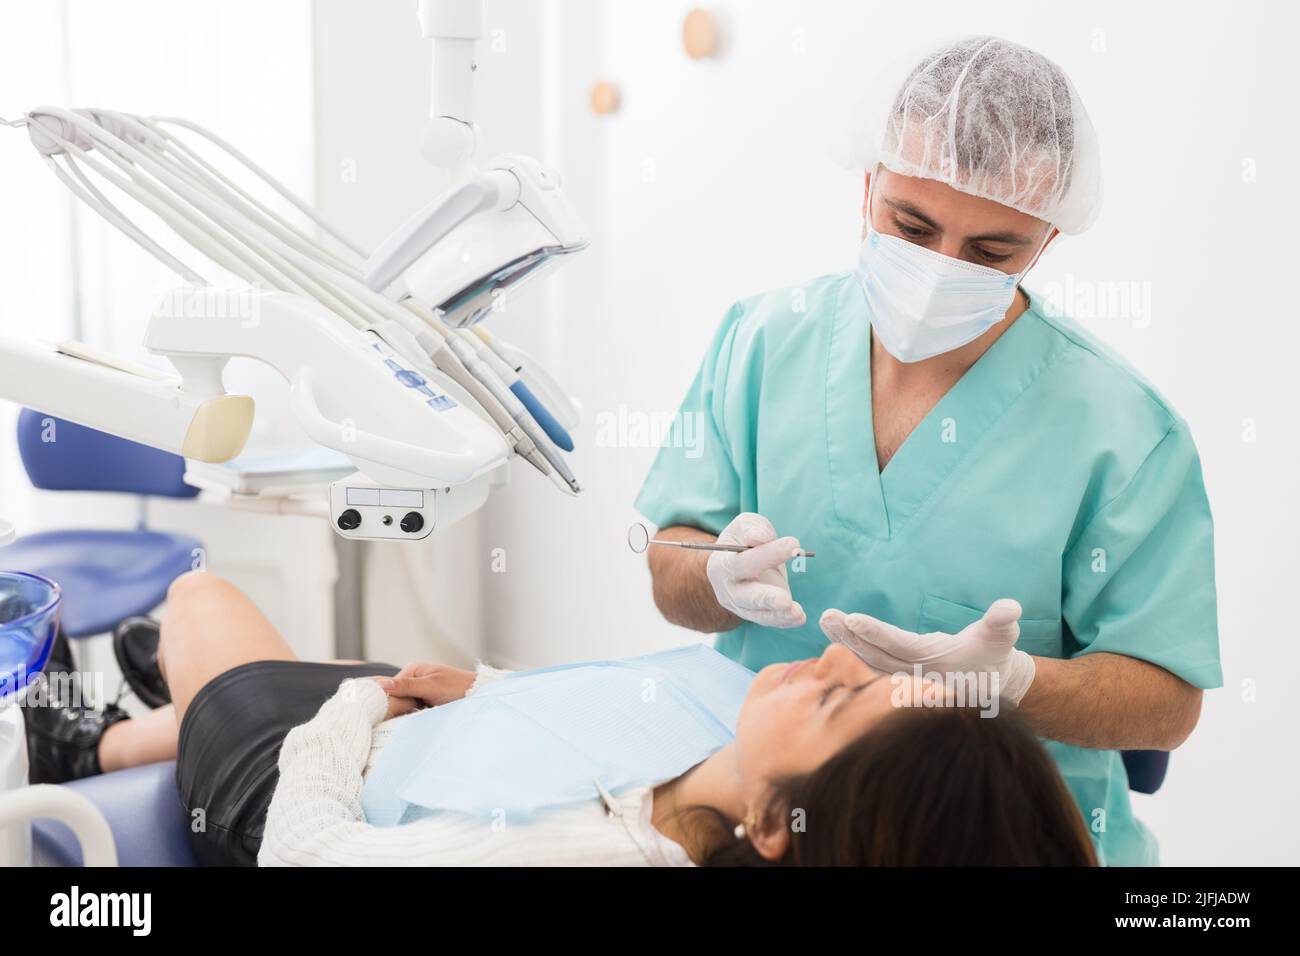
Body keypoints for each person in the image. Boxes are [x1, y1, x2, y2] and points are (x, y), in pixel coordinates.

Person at [635, 36, 1221, 866]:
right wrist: (713, 575)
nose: (941, 268)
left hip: (990, 840)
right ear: (869, 184)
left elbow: (1166, 705)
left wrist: (1014, 684)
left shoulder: (1121, 428)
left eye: (992, 252)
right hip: (766, 828)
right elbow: (671, 569)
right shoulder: (764, 341)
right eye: (911, 226)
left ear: (1047, 240)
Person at [26, 571, 1095, 866]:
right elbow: (582, 722)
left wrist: (361, 699)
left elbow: (310, 852)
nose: (822, 656)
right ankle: (103, 736)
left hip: (291, 801)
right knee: (249, 649)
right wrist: (488, 691)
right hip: (425, 728)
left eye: (837, 696)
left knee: (200, 601)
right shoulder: (724, 764)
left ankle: (127, 721)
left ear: (779, 823)